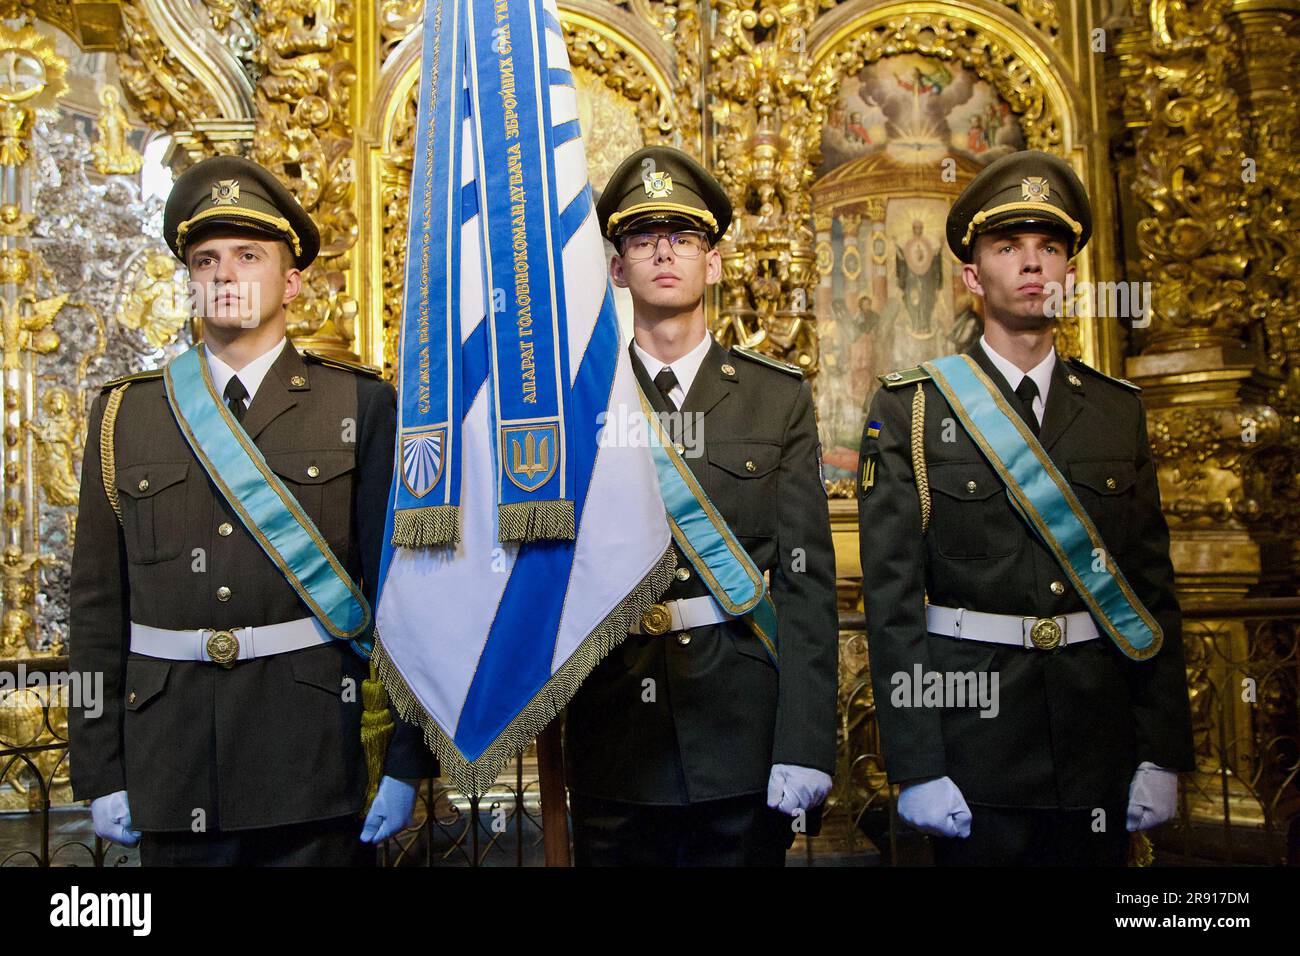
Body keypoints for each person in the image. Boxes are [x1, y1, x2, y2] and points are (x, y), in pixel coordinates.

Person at [68, 155, 433, 866]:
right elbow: (95, 609)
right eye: (206, 260)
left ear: (291, 281)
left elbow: (404, 595)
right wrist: (100, 768)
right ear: (191, 282)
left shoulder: (360, 406)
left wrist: (406, 761)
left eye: (247, 255)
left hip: (313, 762)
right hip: (169, 765)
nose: (225, 274)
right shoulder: (125, 415)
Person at [857, 149, 1194, 865]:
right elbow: (891, 604)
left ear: (1071, 274)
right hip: (973, 745)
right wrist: (915, 763)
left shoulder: (1115, 412)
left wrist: (1163, 753)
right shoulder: (912, 408)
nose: (1033, 264)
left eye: (1050, 248)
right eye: (1009, 247)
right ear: (973, 276)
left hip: (1098, 742)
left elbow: (1151, 589)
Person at [563, 145, 839, 866]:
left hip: (741, 740)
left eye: (684, 238)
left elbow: (807, 590)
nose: (664, 253)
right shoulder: (576, 403)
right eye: (642, 239)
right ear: (617, 268)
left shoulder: (776, 397)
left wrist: (806, 746)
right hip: (613, 735)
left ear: (712, 263)